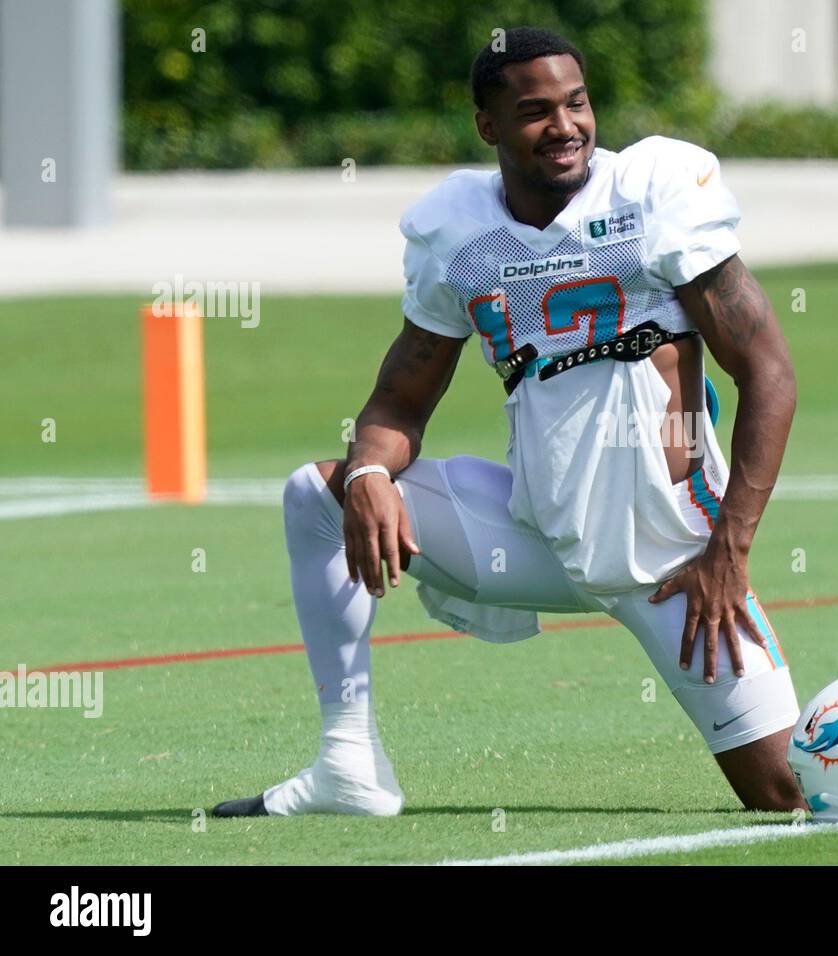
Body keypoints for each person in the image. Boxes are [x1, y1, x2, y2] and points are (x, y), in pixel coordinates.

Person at [212, 26, 806, 817]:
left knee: (785, 796)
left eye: (577, 103)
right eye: (534, 111)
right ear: (488, 126)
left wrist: (728, 550)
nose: (565, 127)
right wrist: (366, 473)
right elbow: (398, 400)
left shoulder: (653, 193)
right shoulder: (461, 234)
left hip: (674, 561)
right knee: (317, 494)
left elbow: (768, 372)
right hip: (535, 535)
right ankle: (348, 765)